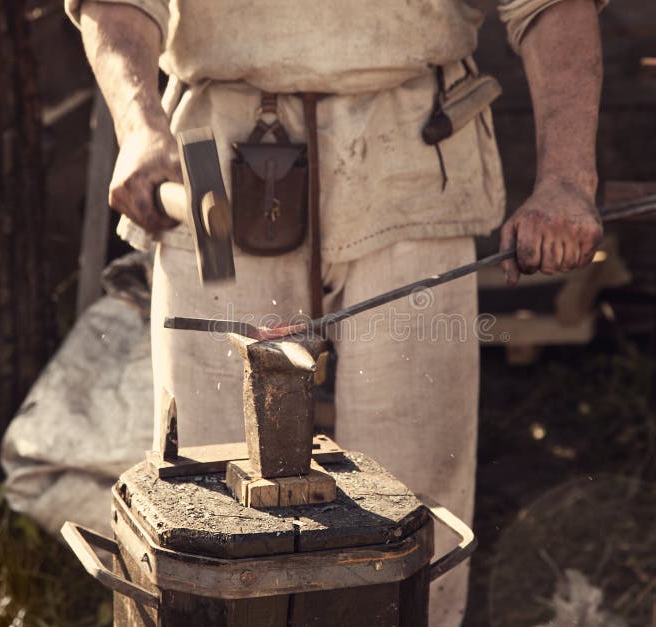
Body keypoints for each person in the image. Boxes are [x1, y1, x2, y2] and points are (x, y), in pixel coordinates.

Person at [68, 0, 605, 623]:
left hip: (413, 157)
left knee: (410, 506)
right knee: (206, 498)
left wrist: (568, 177)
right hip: (213, 167)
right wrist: (139, 126)